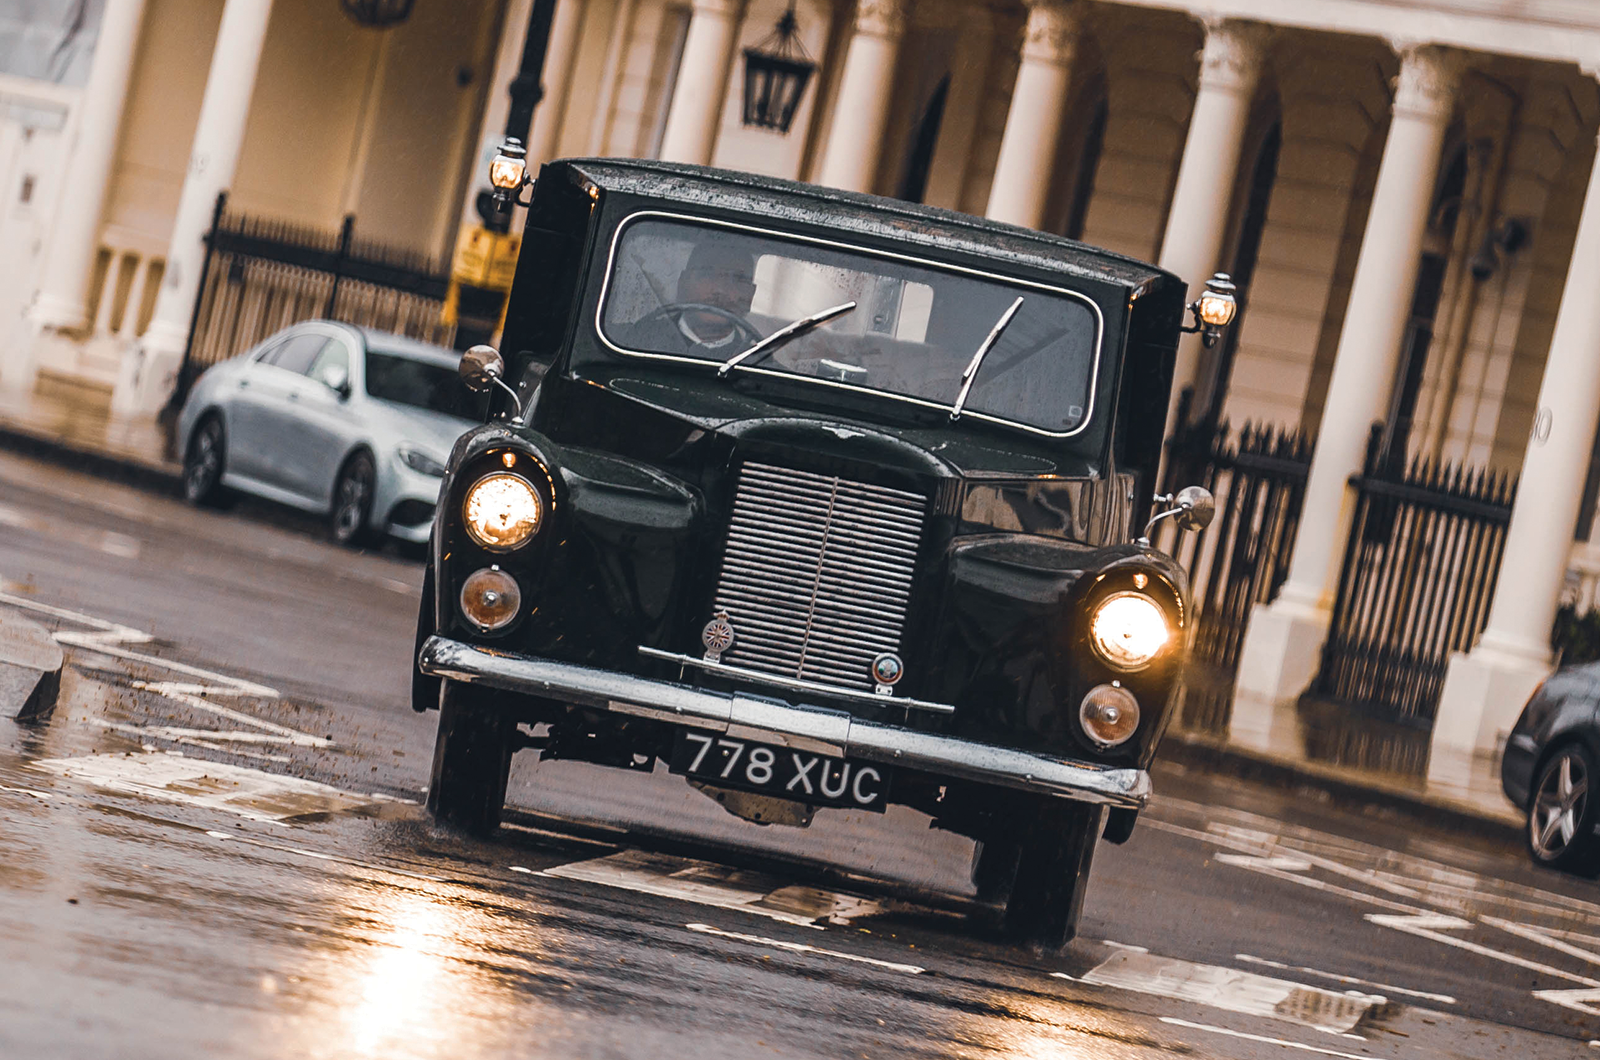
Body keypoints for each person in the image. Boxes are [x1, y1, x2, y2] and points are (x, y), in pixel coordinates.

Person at [625, 240, 760, 355]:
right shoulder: (629, 341)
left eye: (737, 279)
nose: (720, 290)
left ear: (750, 295)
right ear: (682, 283)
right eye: (707, 275)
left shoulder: (758, 365)